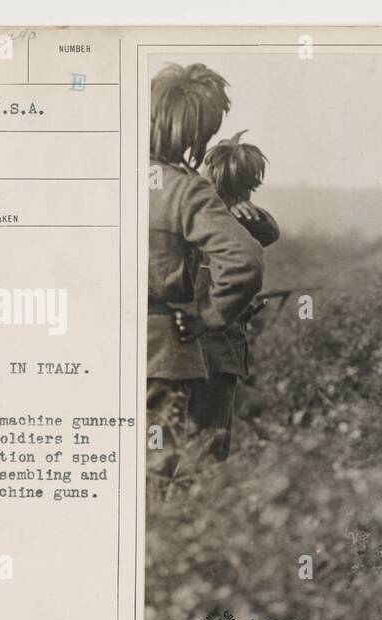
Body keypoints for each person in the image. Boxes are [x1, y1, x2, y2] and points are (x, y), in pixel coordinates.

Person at [147, 64, 265, 487]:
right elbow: (246, 262)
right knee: (173, 476)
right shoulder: (184, 190)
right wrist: (211, 315)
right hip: (167, 356)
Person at [193, 132, 280, 459]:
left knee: (208, 446)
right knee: (205, 449)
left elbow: (270, 232)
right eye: (240, 188)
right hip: (206, 345)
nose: (245, 196)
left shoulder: (229, 218)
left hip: (220, 346)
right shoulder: (198, 216)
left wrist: (246, 213)